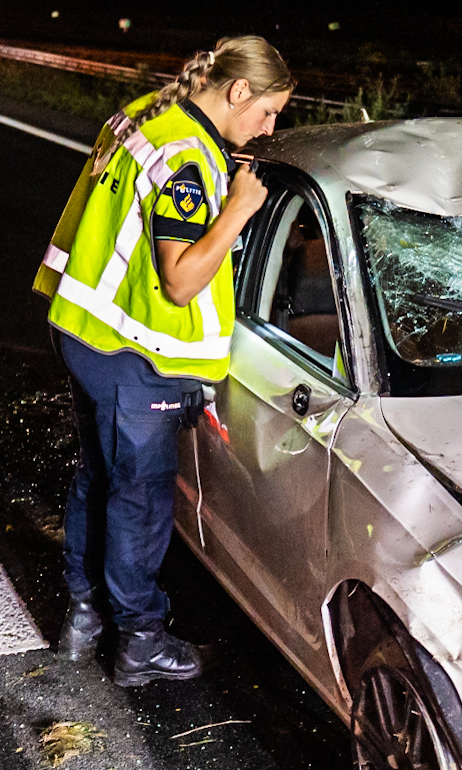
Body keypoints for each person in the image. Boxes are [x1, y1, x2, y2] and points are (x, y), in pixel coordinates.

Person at [32, 36, 293, 685]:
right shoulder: (186, 159)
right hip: (135, 356)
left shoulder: (148, 113)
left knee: (98, 476)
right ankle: (140, 640)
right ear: (238, 92)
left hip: (85, 330)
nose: (269, 128)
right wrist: (237, 211)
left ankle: (85, 614)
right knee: (140, 499)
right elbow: (179, 281)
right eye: (268, 112)